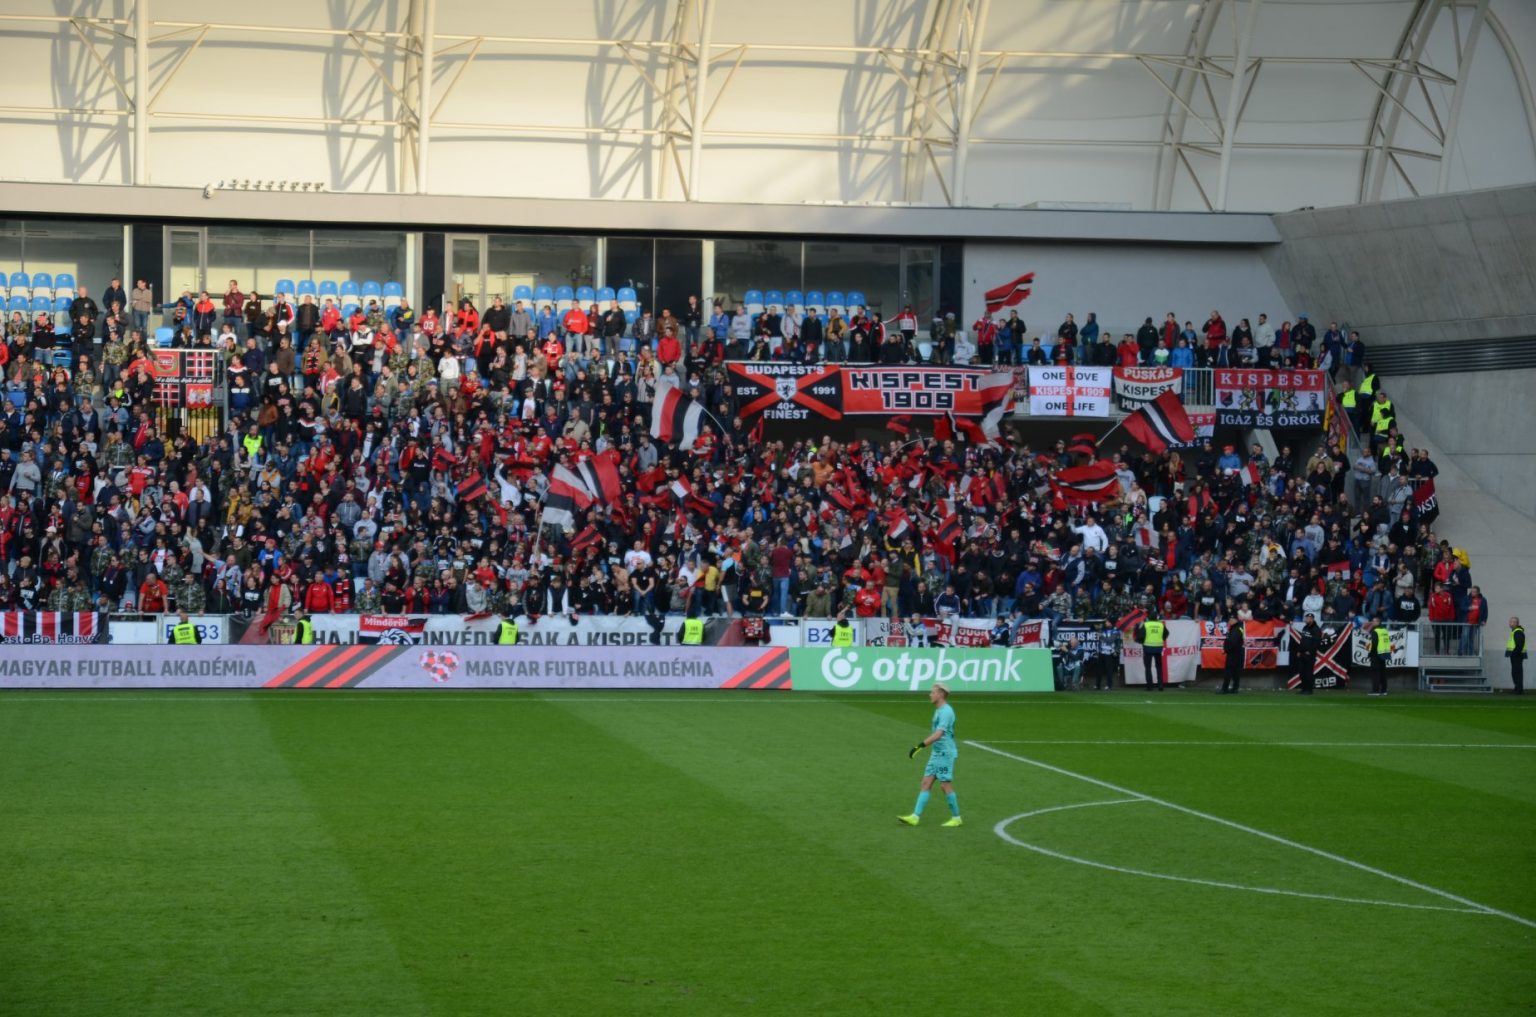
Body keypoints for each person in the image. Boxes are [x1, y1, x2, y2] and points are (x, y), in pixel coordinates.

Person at [898, 682, 961, 828]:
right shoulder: (939, 710)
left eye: (933, 692)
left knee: (945, 785)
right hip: (937, 753)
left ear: (941, 694)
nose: (930, 694)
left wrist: (919, 746)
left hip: (945, 754)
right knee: (926, 783)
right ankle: (915, 817)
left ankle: (956, 818)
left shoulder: (946, 712)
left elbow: (938, 734)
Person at [1137, 610, 1166, 689]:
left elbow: (1140, 636)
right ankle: (1160, 685)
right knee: (1159, 667)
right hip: (1158, 648)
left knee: (1148, 667)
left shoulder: (1146, 624)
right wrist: (1160, 639)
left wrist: (1142, 642)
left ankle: (1150, 686)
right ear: (1157, 617)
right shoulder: (1161, 625)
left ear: (1149, 617)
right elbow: (1166, 634)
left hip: (1147, 648)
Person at [1294, 613, 1322, 695]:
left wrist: (1310, 651)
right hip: (1302, 653)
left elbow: (1316, 642)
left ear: (1312, 619)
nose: (1306, 620)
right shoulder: (1305, 627)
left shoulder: (1316, 629)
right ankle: (1303, 688)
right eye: (1306, 618)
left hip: (1310, 654)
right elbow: (1302, 640)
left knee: (1308, 672)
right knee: (1301, 672)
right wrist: (1299, 651)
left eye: (1308, 618)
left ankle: (1309, 689)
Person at [1367, 615, 1390, 696]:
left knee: (1375, 673)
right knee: (1383, 672)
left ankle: (1375, 690)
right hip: (1384, 653)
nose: (1372, 622)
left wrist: (1370, 653)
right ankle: (1384, 690)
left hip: (1376, 654)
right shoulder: (1385, 630)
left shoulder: (1375, 631)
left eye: (1374, 621)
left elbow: (1374, 643)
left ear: (1378, 622)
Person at [1219, 619, 1244, 694]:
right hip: (1238, 652)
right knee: (1236, 672)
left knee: (1229, 671)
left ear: (1235, 620)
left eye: (1230, 620)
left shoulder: (1236, 629)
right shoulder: (1238, 628)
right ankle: (1235, 688)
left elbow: (1232, 642)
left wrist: (1226, 649)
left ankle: (1224, 689)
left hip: (1233, 653)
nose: (1229, 621)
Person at [1508, 617, 1526, 695]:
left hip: (1517, 656)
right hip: (1516, 655)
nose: (1510, 623)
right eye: (1510, 621)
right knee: (1515, 672)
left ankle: (1519, 690)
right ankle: (1517, 688)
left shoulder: (1518, 632)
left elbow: (1519, 645)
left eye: (1513, 622)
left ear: (1516, 623)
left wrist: (1514, 654)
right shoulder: (1515, 631)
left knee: (1517, 673)